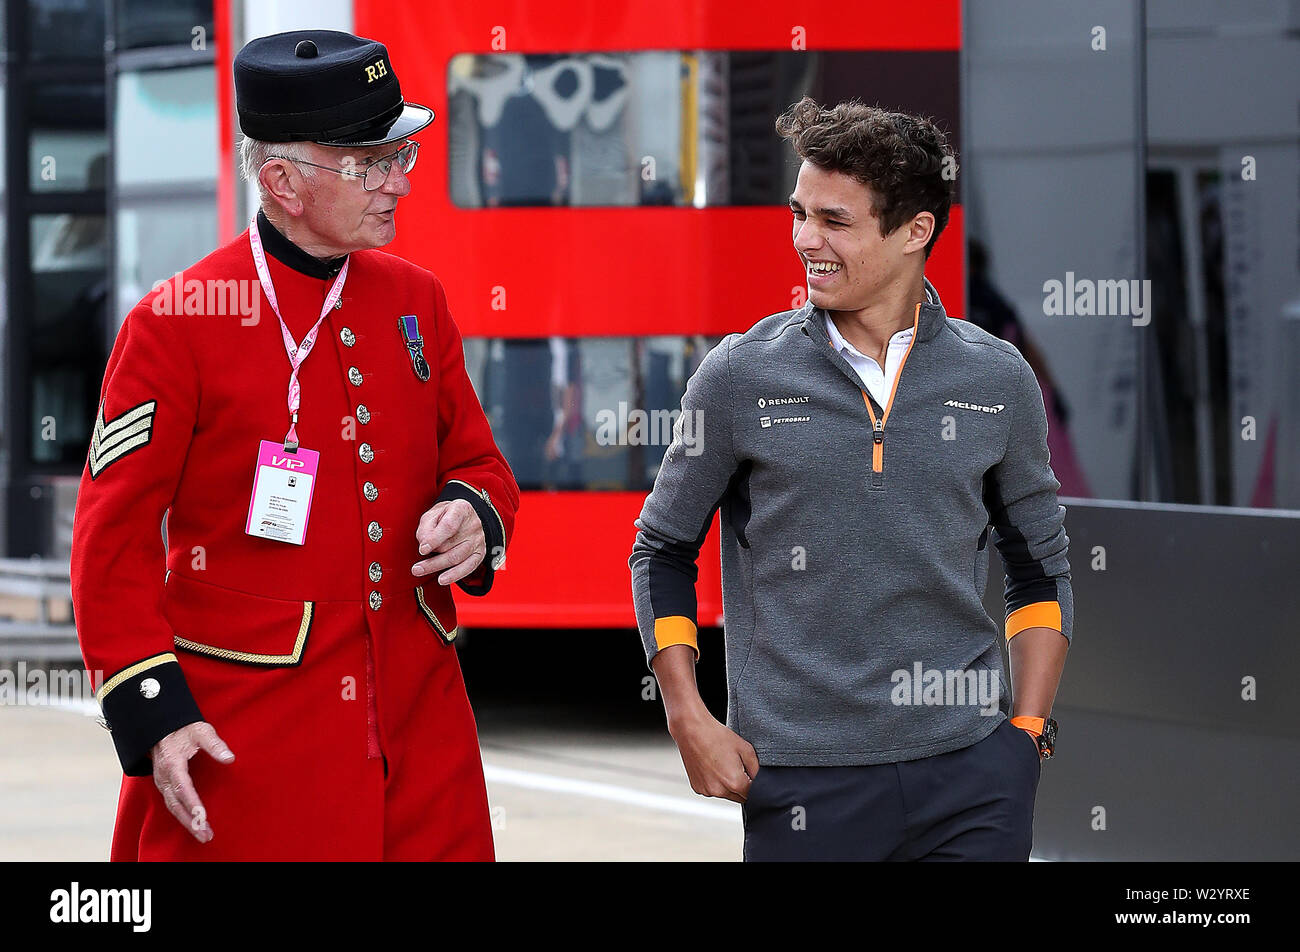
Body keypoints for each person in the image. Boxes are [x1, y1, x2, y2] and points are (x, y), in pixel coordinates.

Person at [71, 29, 519, 861]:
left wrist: (473, 512)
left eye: (401, 154)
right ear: (281, 181)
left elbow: (479, 462)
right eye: (370, 162)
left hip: (424, 731)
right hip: (250, 739)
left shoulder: (416, 298)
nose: (399, 182)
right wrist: (154, 710)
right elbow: (112, 540)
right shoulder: (173, 324)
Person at [629, 98, 1072, 861]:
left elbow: (1040, 568)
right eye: (798, 214)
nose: (805, 241)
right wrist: (687, 717)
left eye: (834, 221)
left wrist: (1025, 736)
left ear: (915, 232)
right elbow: (662, 549)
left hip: (972, 779)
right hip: (805, 782)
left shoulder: (997, 379)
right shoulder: (740, 375)